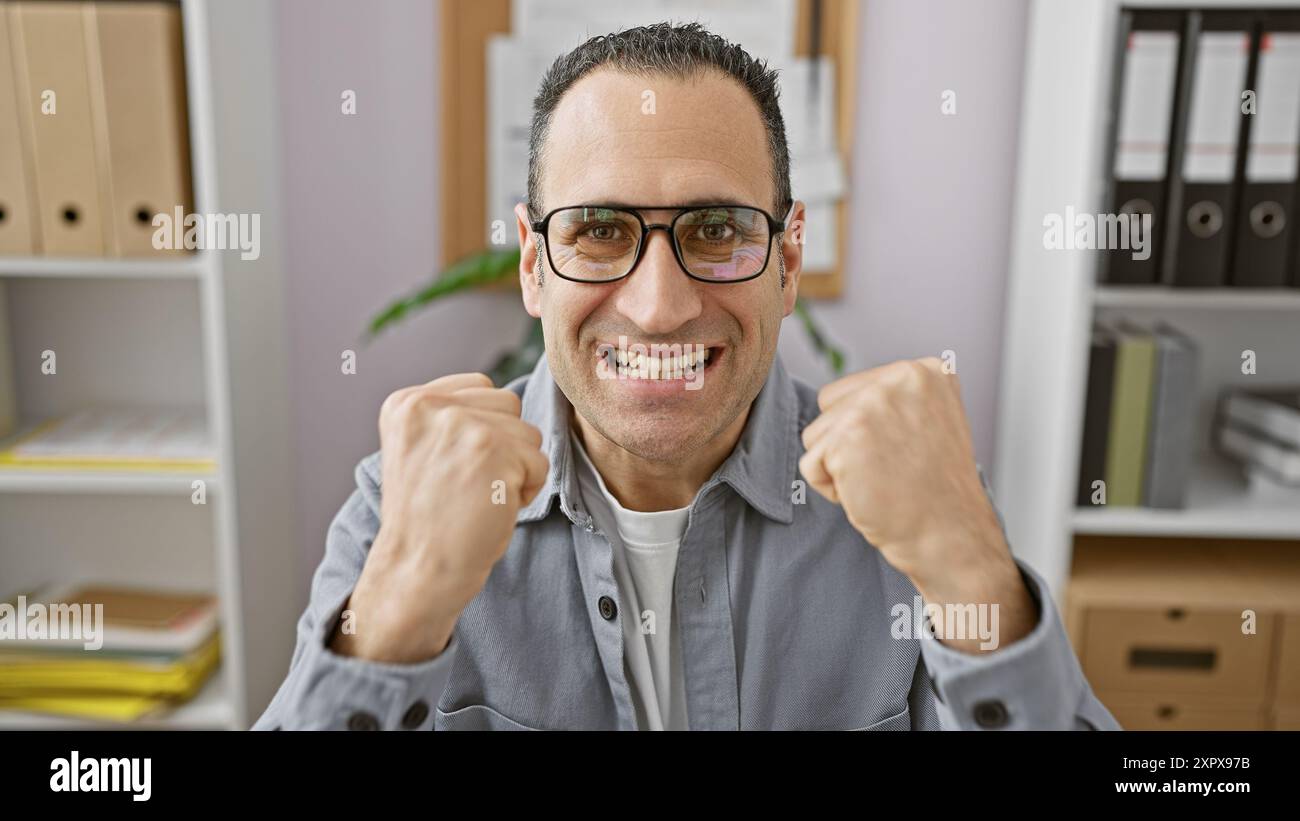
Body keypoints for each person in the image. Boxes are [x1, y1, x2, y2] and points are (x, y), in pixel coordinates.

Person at [254, 22, 1119, 731]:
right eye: (598, 230)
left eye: (716, 231)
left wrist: (978, 579)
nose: (659, 306)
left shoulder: (913, 496)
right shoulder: (398, 498)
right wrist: (400, 609)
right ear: (532, 264)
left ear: (786, 263)